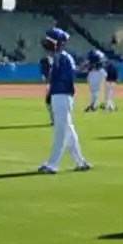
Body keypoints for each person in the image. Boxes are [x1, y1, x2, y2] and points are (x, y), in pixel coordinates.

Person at [38, 29, 92, 174]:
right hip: (59, 96)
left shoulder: (64, 58)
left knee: (60, 131)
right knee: (68, 130)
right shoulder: (57, 58)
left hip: (62, 96)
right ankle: (80, 162)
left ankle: (52, 164)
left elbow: (70, 78)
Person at [39, 52, 54, 123]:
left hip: (53, 86)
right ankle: (54, 119)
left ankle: (54, 119)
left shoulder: (48, 69)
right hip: (52, 85)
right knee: (50, 103)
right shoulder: (51, 68)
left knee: (49, 103)